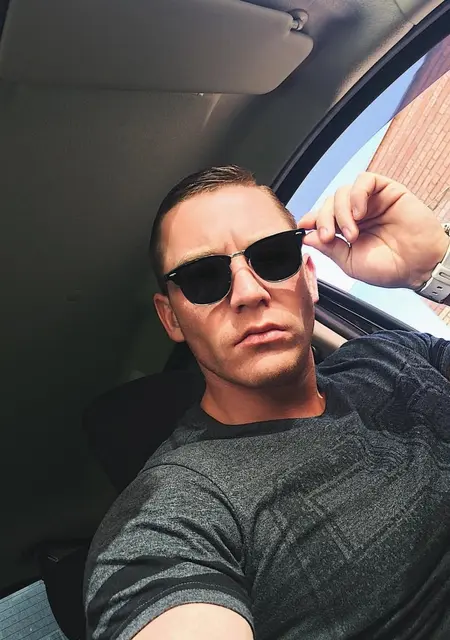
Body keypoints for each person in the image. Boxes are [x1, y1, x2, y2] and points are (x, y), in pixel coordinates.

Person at [84, 166, 450, 640]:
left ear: (309, 278)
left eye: (273, 256)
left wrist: (436, 266)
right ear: (171, 318)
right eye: (202, 276)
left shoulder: (396, 354)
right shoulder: (174, 513)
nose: (249, 292)